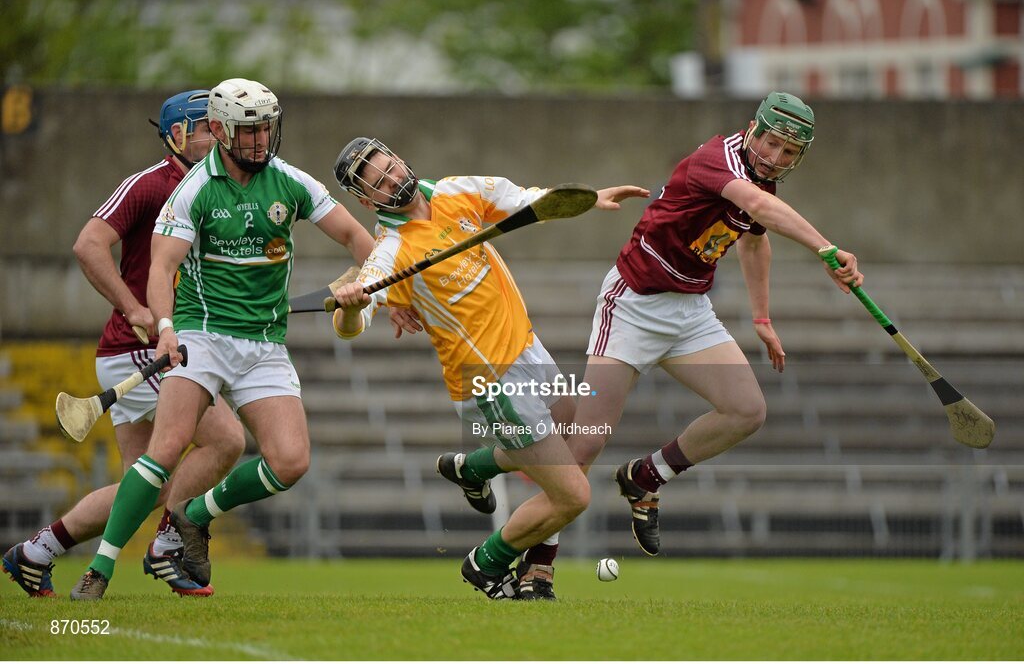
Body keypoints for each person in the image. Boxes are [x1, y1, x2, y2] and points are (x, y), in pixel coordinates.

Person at [69, 78, 378, 600]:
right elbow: (162, 267)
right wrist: (165, 330)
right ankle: (99, 568)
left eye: (266, 129)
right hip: (202, 336)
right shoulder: (194, 190)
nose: (261, 141)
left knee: (291, 462)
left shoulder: (291, 182)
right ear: (218, 130)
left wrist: (364, 284)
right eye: (249, 131)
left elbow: (359, 239)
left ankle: (192, 514)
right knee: (164, 451)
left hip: (264, 345)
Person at [328, 136, 649, 600]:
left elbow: (526, 201)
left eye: (391, 167)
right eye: (378, 182)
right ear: (366, 200)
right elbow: (348, 328)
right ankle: (490, 563)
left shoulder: (459, 190)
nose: (394, 179)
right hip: (490, 385)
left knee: (586, 435)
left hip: (529, 349)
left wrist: (587, 199)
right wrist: (352, 306)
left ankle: (475, 467)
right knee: (573, 495)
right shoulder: (390, 251)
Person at [567, 91, 864, 555]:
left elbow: (753, 240)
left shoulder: (764, 183)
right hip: (633, 304)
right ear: (752, 130)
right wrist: (826, 249)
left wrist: (761, 317)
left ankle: (646, 476)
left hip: (689, 312)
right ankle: (536, 566)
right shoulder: (715, 159)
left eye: (788, 151)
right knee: (584, 447)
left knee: (747, 411)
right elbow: (761, 211)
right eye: (770, 143)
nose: (774, 157)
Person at [3, 90, 245, 598]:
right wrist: (136, 309)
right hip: (140, 349)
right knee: (226, 441)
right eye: (207, 127)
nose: (219, 135)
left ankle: (36, 551)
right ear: (177, 134)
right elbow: (88, 244)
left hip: (157, 350)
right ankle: (169, 545)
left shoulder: (219, 189)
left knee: (146, 486)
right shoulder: (151, 184)